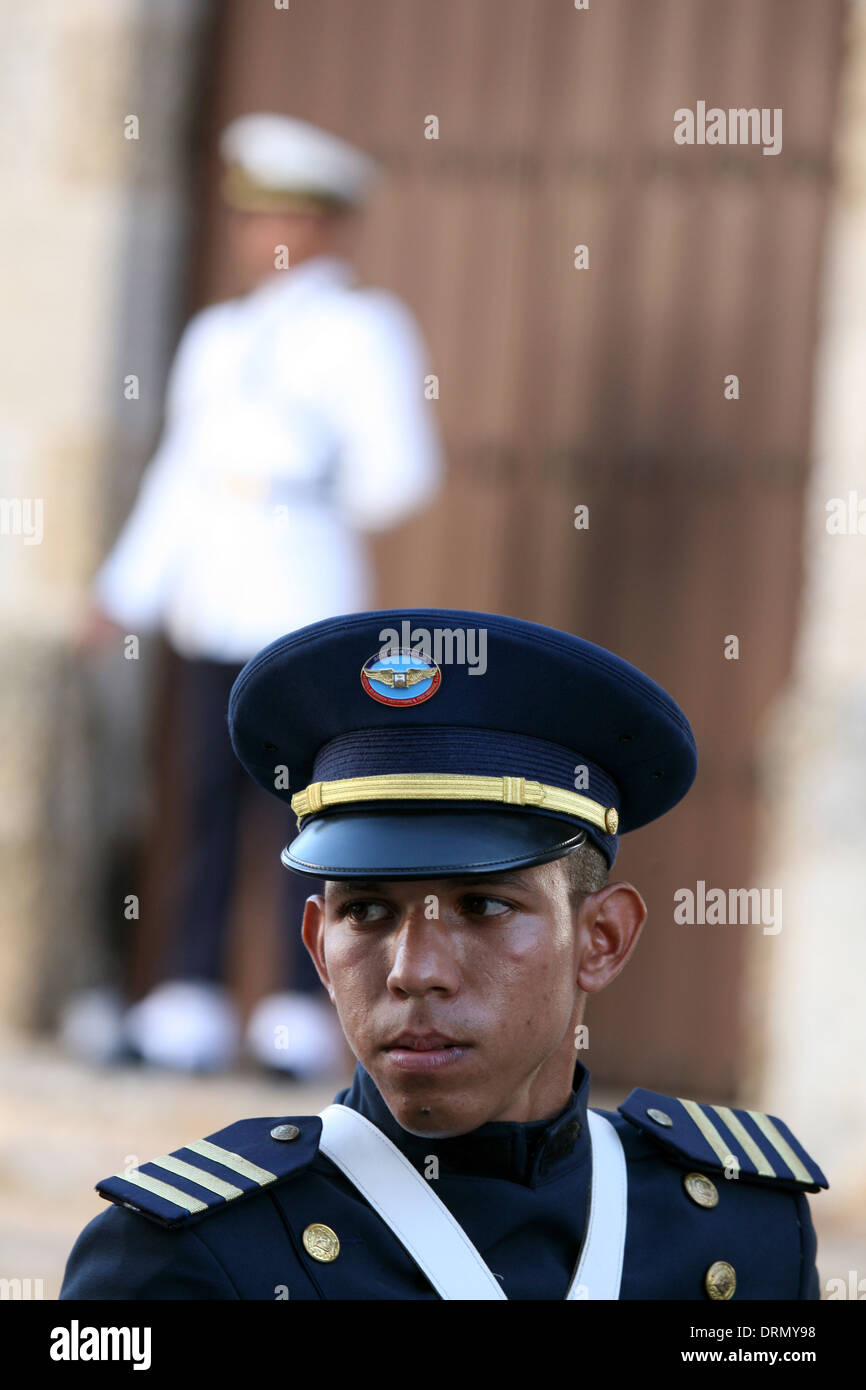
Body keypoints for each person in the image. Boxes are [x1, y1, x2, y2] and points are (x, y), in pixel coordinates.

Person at [60, 608, 826, 1300]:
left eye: (484, 905)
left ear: (602, 940)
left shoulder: (742, 1237)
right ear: (319, 951)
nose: (413, 969)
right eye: (365, 911)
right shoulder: (191, 1258)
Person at [73, 115, 442, 1075]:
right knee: (201, 799)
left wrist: (310, 472)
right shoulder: (219, 335)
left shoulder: (364, 332)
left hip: (301, 595)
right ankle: (187, 996)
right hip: (213, 595)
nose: (265, 234)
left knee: (305, 811)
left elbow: (398, 472)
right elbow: (178, 475)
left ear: (331, 224)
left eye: (287, 213)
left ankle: (294, 1006)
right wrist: (125, 587)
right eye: (254, 214)